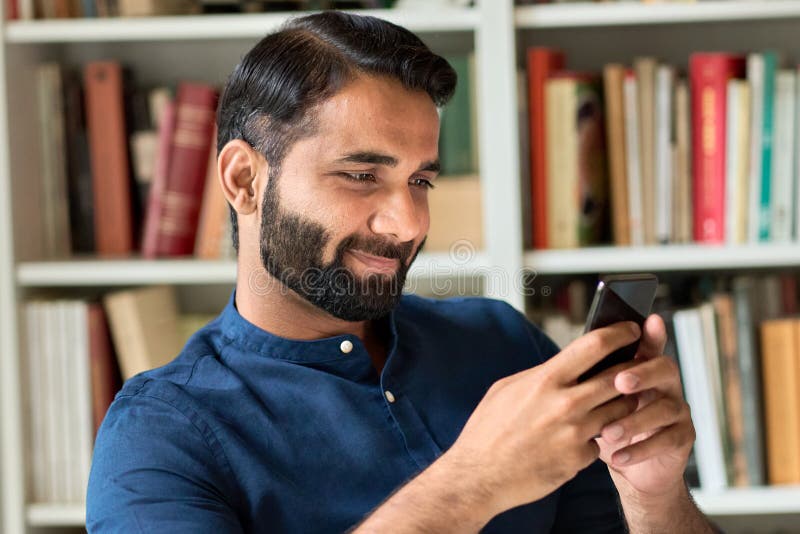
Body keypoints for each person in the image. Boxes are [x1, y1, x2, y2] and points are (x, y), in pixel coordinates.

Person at [87, 11, 713, 533]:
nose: (408, 223)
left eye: (420, 181)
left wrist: (655, 498)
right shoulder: (160, 433)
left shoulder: (505, 346)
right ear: (244, 179)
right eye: (362, 175)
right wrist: (475, 483)